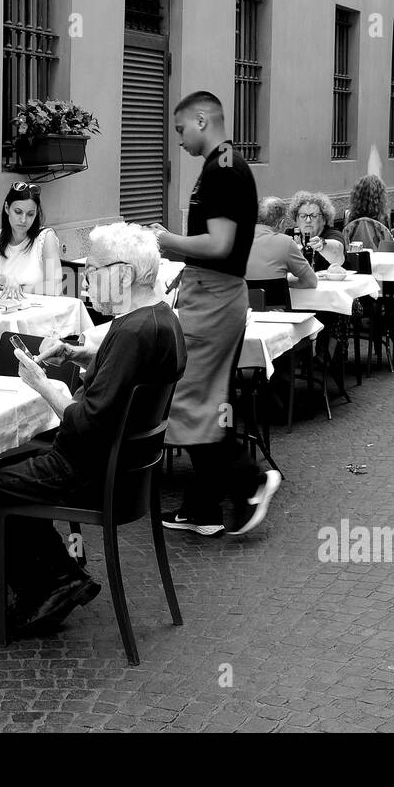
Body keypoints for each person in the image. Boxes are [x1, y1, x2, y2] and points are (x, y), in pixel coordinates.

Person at [0, 222, 186, 631]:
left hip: (89, 469)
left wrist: (44, 386)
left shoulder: (130, 331)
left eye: (93, 270)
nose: (86, 279)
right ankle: (59, 576)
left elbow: (85, 424)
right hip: (123, 468)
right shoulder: (159, 320)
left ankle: (51, 580)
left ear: (123, 274)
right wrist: (77, 356)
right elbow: (122, 386)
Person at [149, 91, 281, 537]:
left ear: (202, 120)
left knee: (186, 399)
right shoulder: (221, 166)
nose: (180, 140)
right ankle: (202, 508)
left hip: (214, 296)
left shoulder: (224, 169)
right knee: (205, 400)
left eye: (181, 129)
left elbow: (221, 245)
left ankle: (252, 481)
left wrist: (170, 243)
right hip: (212, 292)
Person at [0, 182, 62, 299]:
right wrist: (3, 280)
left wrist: (18, 287)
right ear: (7, 208)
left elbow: (55, 287)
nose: (23, 219)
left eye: (30, 214)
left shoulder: (46, 237)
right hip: (6, 308)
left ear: (36, 214)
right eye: (18, 212)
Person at [245, 197, 318, 292]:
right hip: (277, 305)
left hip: (241, 305)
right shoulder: (286, 243)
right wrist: (284, 283)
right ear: (281, 223)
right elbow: (311, 282)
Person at [285, 191, 346, 270]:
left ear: (324, 219)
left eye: (314, 216)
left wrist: (322, 245)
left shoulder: (332, 234)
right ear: (296, 219)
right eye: (303, 216)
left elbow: (337, 252)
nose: (308, 220)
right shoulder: (291, 235)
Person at [343, 175, 393, 249]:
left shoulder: (348, 215)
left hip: (354, 258)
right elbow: (388, 244)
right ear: (381, 197)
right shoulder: (384, 216)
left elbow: (345, 240)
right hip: (379, 258)